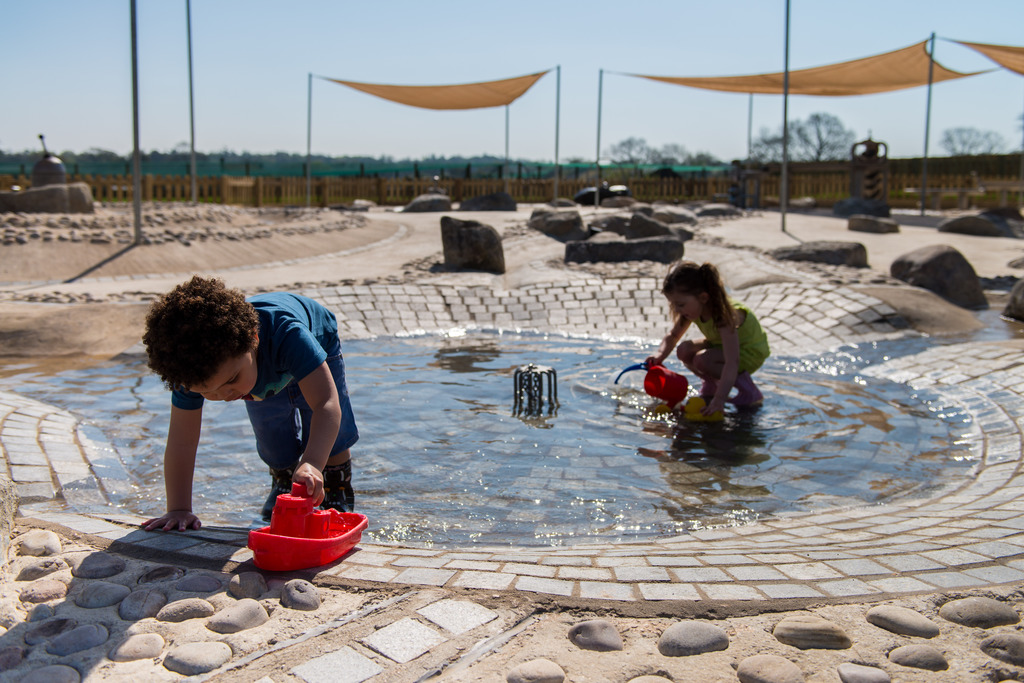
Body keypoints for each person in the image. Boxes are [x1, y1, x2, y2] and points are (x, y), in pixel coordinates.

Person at [140, 276, 358, 531]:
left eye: (231, 379)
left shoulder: (288, 334)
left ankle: (336, 485)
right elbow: (182, 441)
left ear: (253, 339)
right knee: (273, 439)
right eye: (208, 392)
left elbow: (325, 403)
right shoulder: (190, 372)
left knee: (330, 435)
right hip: (257, 373)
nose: (225, 395)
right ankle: (284, 481)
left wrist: (312, 462)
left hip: (315, 343)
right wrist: (178, 509)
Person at [645, 261, 770, 416]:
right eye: (674, 304)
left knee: (702, 360)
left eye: (681, 304)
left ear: (703, 297)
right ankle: (712, 385)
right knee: (684, 350)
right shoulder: (692, 309)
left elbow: (732, 361)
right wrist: (660, 355)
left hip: (749, 352)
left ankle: (749, 391)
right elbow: (673, 335)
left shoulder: (724, 315)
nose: (677, 309)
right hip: (720, 347)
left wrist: (719, 401)